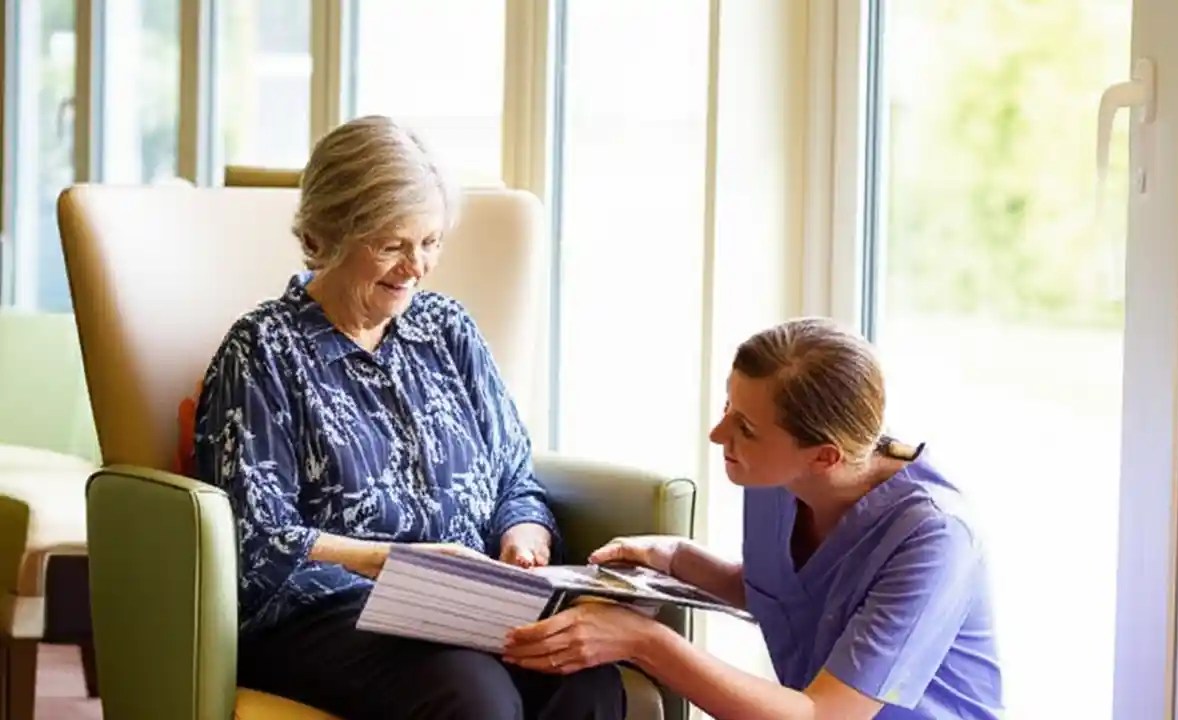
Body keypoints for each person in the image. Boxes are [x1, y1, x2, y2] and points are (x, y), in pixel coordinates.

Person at [193, 115, 624, 720]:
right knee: (472, 694)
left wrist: (524, 536)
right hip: (321, 612)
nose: (416, 266)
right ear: (329, 234)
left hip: (467, 606)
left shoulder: (448, 329)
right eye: (392, 245)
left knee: (587, 680)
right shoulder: (264, 349)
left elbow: (514, 479)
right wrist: (393, 560)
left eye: (430, 242)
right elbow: (255, 539)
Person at [503, 318, 1003, 719]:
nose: (718, 434)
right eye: (728, 406)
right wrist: (674, 559)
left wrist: (642, 640)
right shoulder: (779, 480)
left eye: (744, 426)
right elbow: (792, 594)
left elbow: (825, 715)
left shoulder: (935, 538)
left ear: (824, 457)